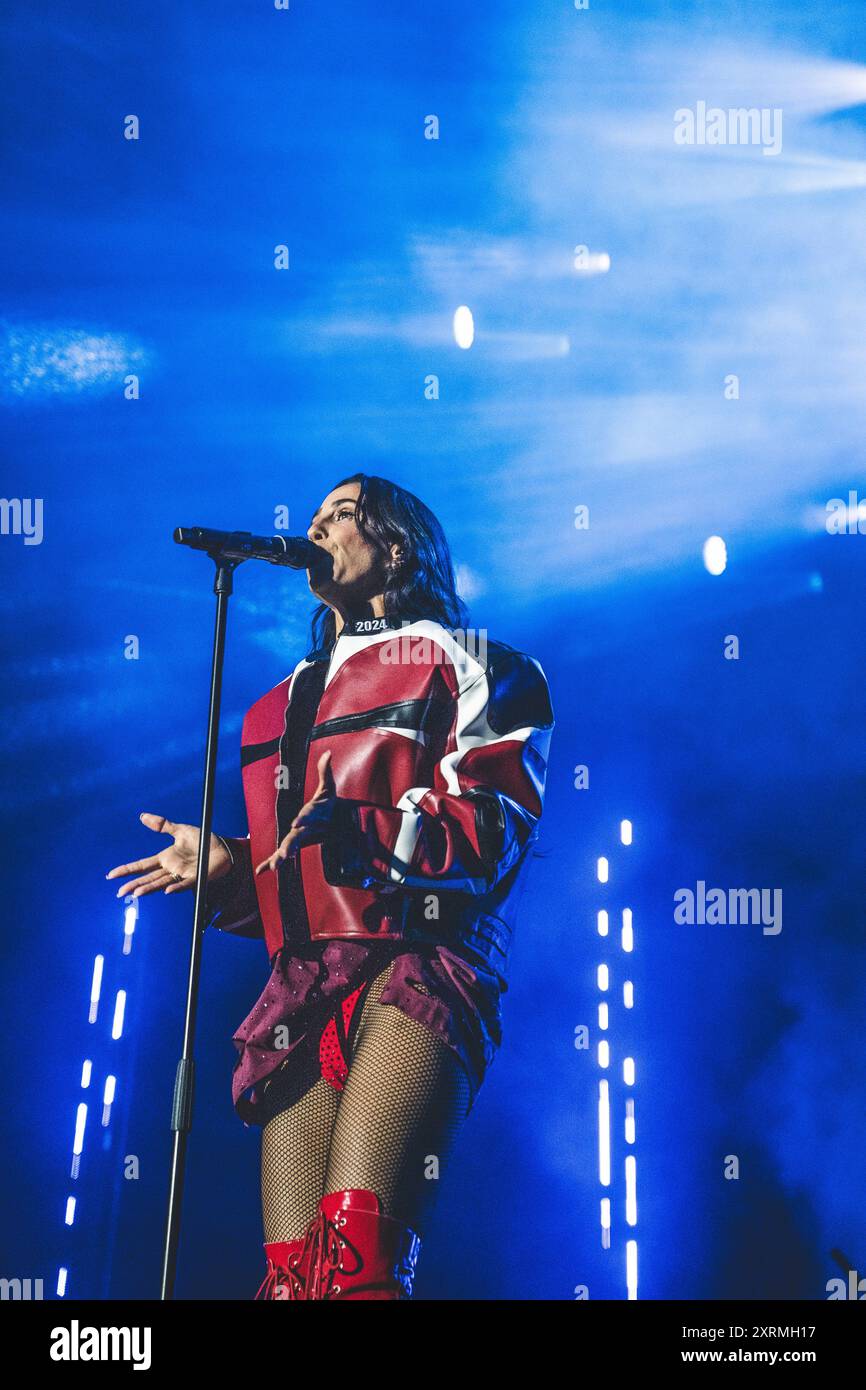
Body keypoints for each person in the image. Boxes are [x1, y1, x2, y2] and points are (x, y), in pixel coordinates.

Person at [107, 473, 554, 1300]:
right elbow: (295, 880)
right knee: (290, 1282)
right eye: (310, 519)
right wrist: (231, 872)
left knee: (356, 1265)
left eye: (341, 517)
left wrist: (360, 829)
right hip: (303, 986)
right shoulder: (273, 710)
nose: (317, 531)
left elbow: (488, 837)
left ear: (396, 546)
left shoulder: (484, 667)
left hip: (417, 967)